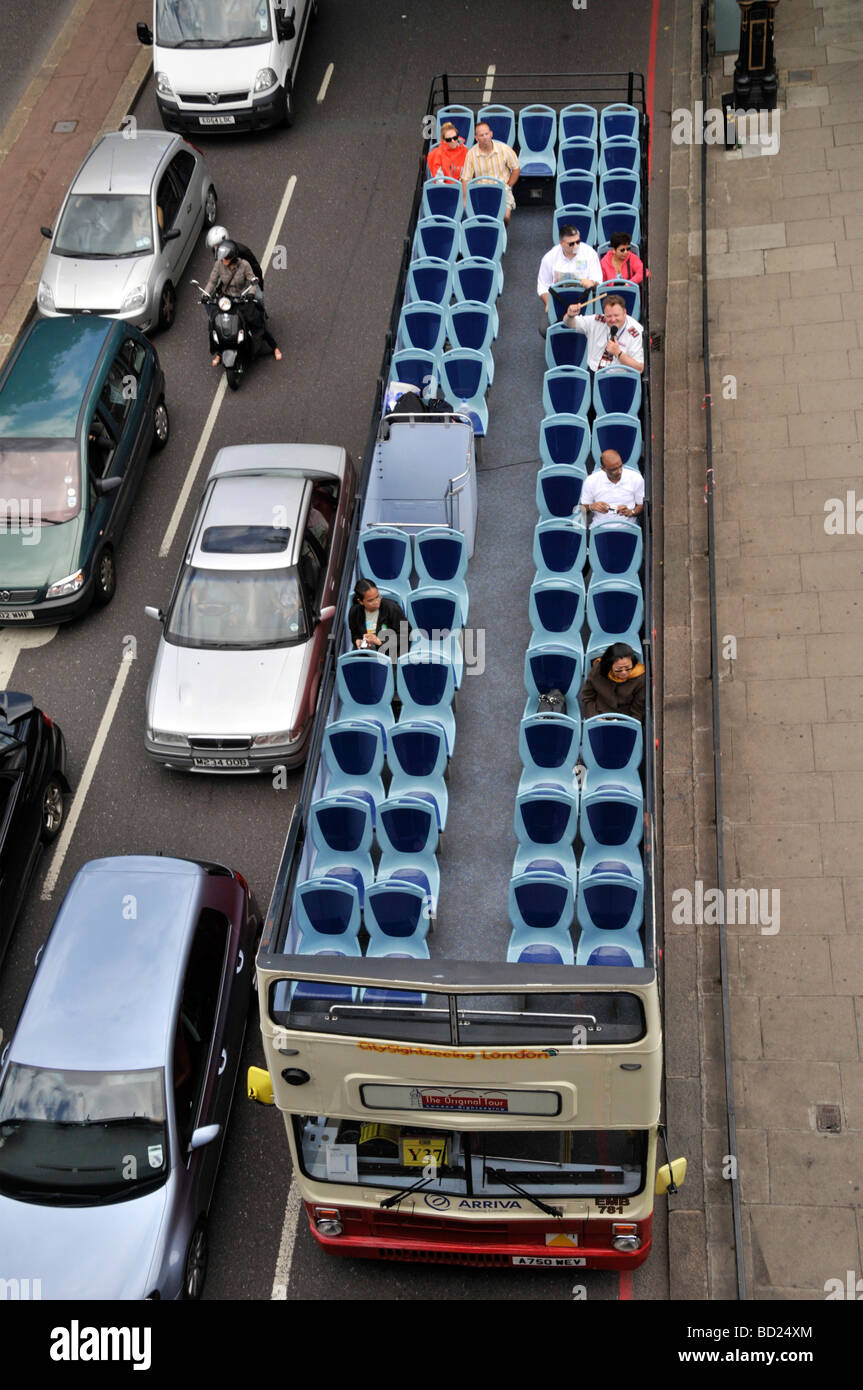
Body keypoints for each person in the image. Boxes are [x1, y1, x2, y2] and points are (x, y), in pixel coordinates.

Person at [203, 240, 282, 366]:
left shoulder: (244, 265)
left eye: (225, 258)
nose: (223, 261)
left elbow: (252, 280)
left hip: (242, 298)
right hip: (227, 299)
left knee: (255, 321)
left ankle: (274, 346)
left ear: (232, 258)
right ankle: (219, 352)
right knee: (215, 322)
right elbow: (212, 282)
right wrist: (206, 294)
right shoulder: (219, 264)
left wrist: (251, 293)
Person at [537, 225, 603, 335]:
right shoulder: (549, 257)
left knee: (596, 329)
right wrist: (548, 302)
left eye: (578, 241)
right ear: (561, 243)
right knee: (544, 329)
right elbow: (542, 285)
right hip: (559, 303)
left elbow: (598, 280)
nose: (576, 246)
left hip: (584, 303)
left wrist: (592, 283)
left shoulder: (589, 253)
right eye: (571, 244)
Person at [562, 293, 644, 373]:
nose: (613, 319)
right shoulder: (597, 321)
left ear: (624, 312)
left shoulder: (635, 330)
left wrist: (618, 353)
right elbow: (569, 323)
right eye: (609, 316)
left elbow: (639, 368)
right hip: (595, 374)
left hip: (620, 378)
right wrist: (570, 315)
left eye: (616, 315)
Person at [461, 121, 520, 224]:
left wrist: (508, 185)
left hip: (502, 189)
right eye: (481, 135)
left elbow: (516, 168)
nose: (485, 137)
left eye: (486, 134)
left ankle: (501, 235)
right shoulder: (470, 154)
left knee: (505, 218)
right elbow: (466, 179)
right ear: (476, 138)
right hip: (480, 192)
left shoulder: (505, 149)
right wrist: (465, 198)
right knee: (482, 221)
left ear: (491, 134)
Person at [580, 642, 645, 722]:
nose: (624, 672)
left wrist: (629, 725)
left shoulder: (640, 678)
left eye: (628, 668)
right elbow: (588, 697)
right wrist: (595, 717)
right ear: (609, 665)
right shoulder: (598, 670)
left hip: (625, 719)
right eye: (619, 669)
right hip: (600, 715)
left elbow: (638, 710)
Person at [580, 448, 644, 527]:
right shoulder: (591, 480)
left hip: (628, 528)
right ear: (603, 469)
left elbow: (641, 505)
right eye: (614, 469)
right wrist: (591, 506)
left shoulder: (635, 478)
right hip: (599, 528)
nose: (620, 471)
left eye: (620, 466)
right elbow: (582, 508)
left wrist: (631, 512)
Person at [348, 579, 409, 659]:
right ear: (361, 602)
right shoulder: (354, 612)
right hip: (367, 654)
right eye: (370, 600)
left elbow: (405, 634)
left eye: (377, 597)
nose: (376, 602)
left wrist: (380, 641)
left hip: (391, 654)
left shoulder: (392, 608)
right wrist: (358, 640)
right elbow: (355, 634)